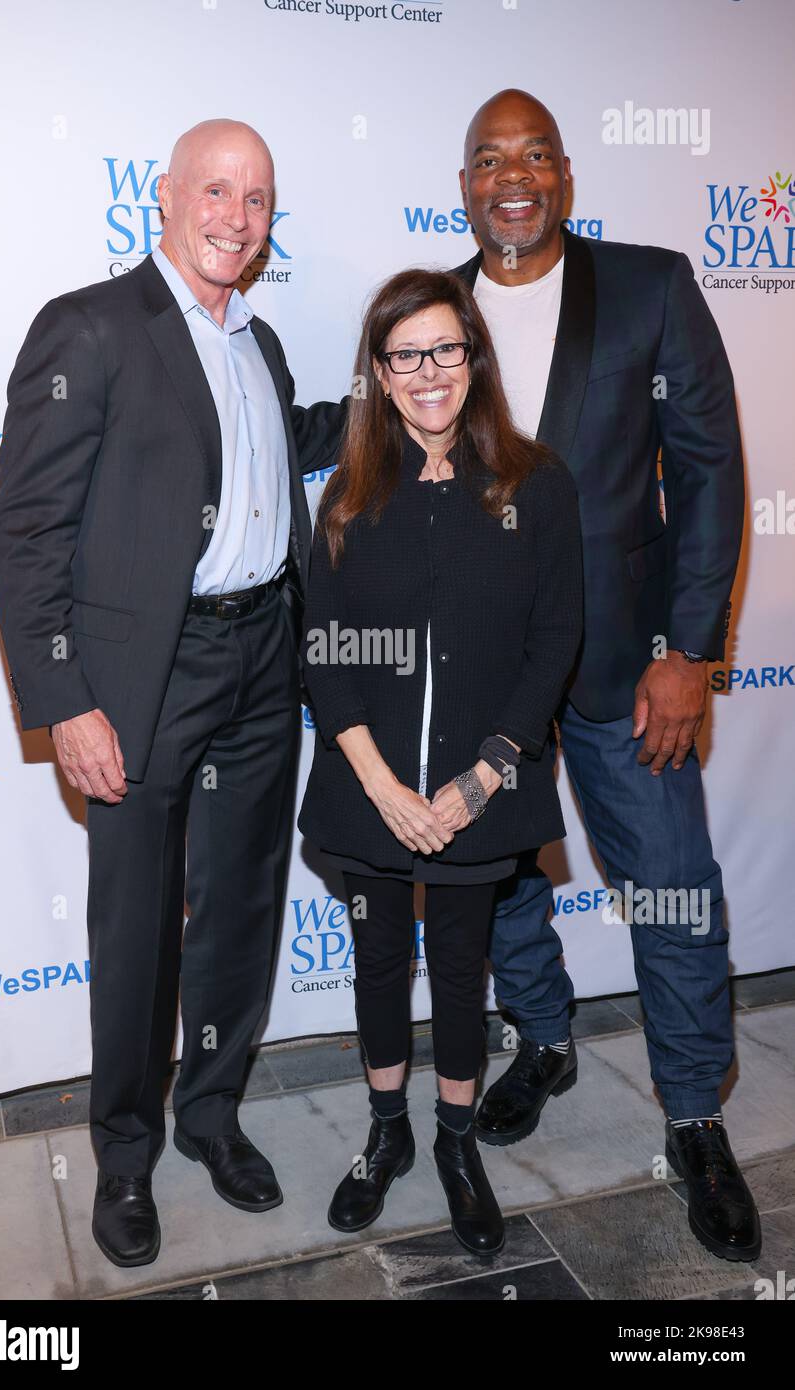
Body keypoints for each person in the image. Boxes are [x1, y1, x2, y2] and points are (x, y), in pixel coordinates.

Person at [0, 119, 338, 1268]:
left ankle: (212, 1115)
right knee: (138, 929)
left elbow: (276, 452)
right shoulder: (91, 327)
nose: (238, 216)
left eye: (258, 199)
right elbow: (28, 528)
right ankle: (126, 1158)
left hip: (258, 665)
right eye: (219, 191)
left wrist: (410, 390)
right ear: (168, 196)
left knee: (239, 907)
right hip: (142, 680)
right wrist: (65, 699)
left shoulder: (262, 344)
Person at [453, 88, 759, 1262]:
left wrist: (691, 651)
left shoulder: (649, 284)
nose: (512, 177)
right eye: (489, 159)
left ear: (566, 176)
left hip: (633, 667)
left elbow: (711, 469)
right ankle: (543, 1037)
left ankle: (691, 1115)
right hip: (488, 673)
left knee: (674, 889)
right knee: (503, 881)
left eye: (533, 157)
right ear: (466, 184)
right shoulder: (439, 309)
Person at [297, 268, 582, 1254]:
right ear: (379, 371)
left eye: (446, 349)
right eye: (405, 354)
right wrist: (383, 788)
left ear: (474, 357)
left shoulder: (535, 485)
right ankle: (387, 1136)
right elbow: (323, 651)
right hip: (366, 792)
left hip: (481, 793)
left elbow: (555, 641)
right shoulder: (348, 491)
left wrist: (482, 776)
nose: (429, 372)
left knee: (463, 971)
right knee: (380, 962)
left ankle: (456, 1139)